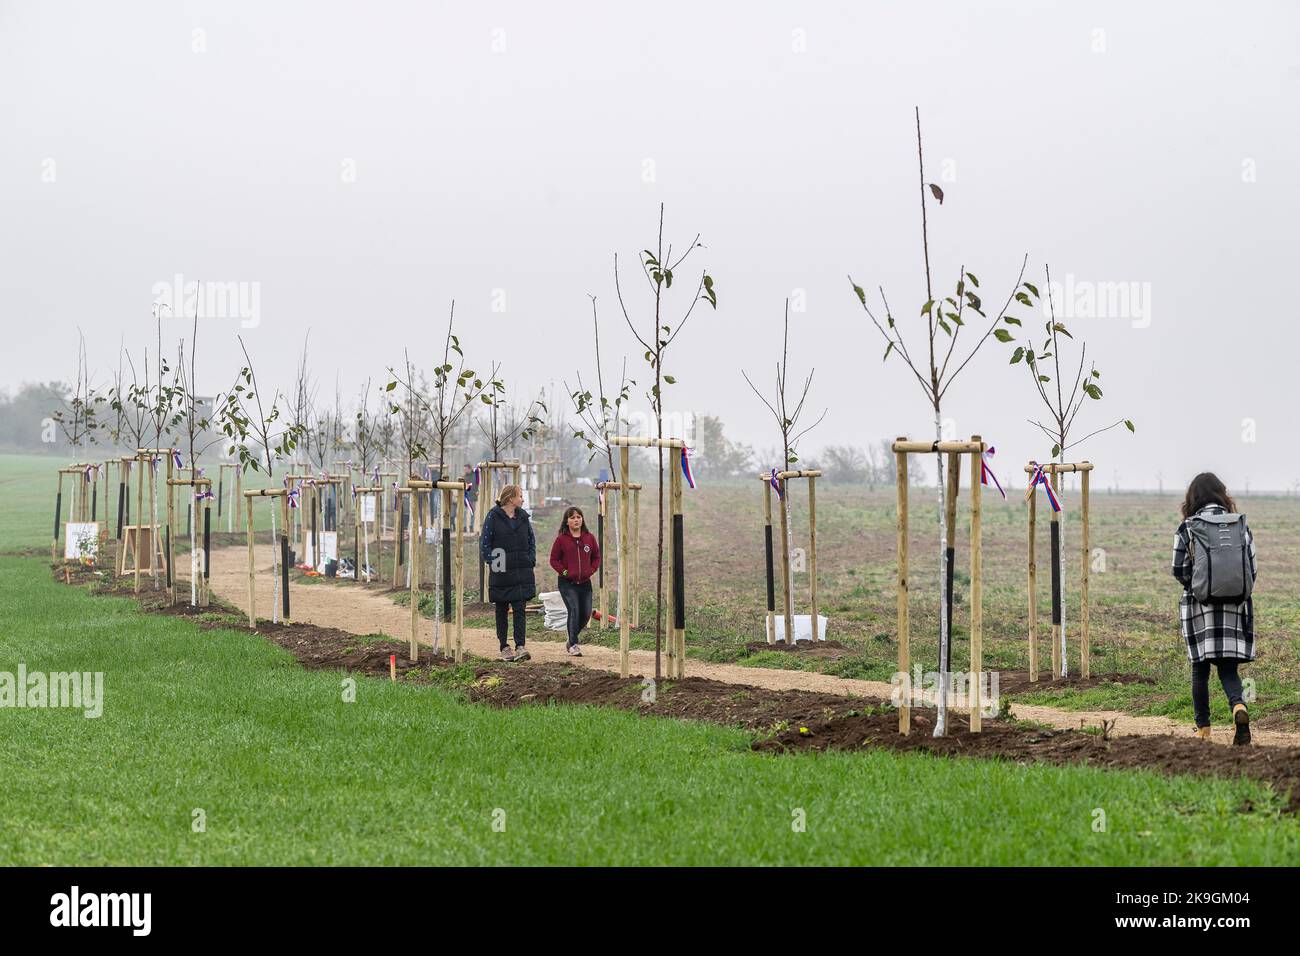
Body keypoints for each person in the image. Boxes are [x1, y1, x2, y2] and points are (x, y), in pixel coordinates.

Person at [1172, 472, 1256, 745]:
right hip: (1233, 607)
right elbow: (1251, 569)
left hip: (1199, 609)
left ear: (1193, 497)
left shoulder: (1188, 527)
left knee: (1200, 670)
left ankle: (1204, 730)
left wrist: (1198, 587)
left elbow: (1178, 569)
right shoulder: (1241, 525)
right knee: (1229, 670)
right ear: (1222, 494)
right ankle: (1238, 707)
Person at [480, 484, 536, 661]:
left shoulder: (523, 518)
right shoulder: (493, 517)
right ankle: (504, 646)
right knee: (502, 608)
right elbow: (485, 543)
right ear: (511, 498)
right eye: (520, 496)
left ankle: (520, 646)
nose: (522, 499)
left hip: (521, 570)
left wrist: (530, 559)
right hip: (501, 570)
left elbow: (531, 540)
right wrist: (495, 562)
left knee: (520, 608)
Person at [549, 506, 600, 656]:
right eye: (572, 518)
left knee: (585, 614)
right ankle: (573, 644)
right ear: (567, 522)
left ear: (582, 519)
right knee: (574, 610)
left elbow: (596, 556)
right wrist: (564, 572)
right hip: (567, 583)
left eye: (578, 517)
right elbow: (554, 559)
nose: (576, 520)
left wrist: (591, 570)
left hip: (585, 582)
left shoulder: (589, 538)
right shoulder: (561, 540)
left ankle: (571, 638)